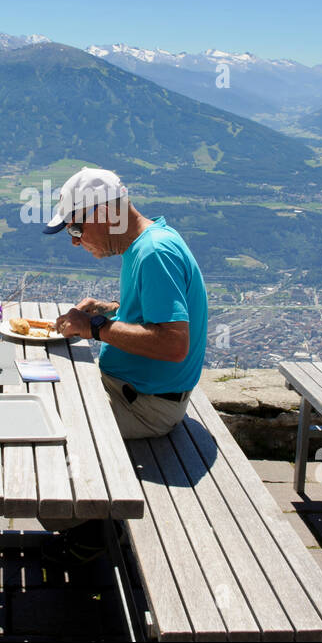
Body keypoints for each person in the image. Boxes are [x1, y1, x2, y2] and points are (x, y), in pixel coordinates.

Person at [40, 167, 208, 562]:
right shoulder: (148, 242)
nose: (75, 241)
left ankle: (95, 528)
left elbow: (174, 343)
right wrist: (107, 309)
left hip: (146, 405)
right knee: (44, 396)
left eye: (75, 229)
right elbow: (150, 315)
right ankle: (92, 522)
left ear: (101, 214)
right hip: (136, 393)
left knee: (44, 441)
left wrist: (96, 328)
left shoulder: (154, 253)